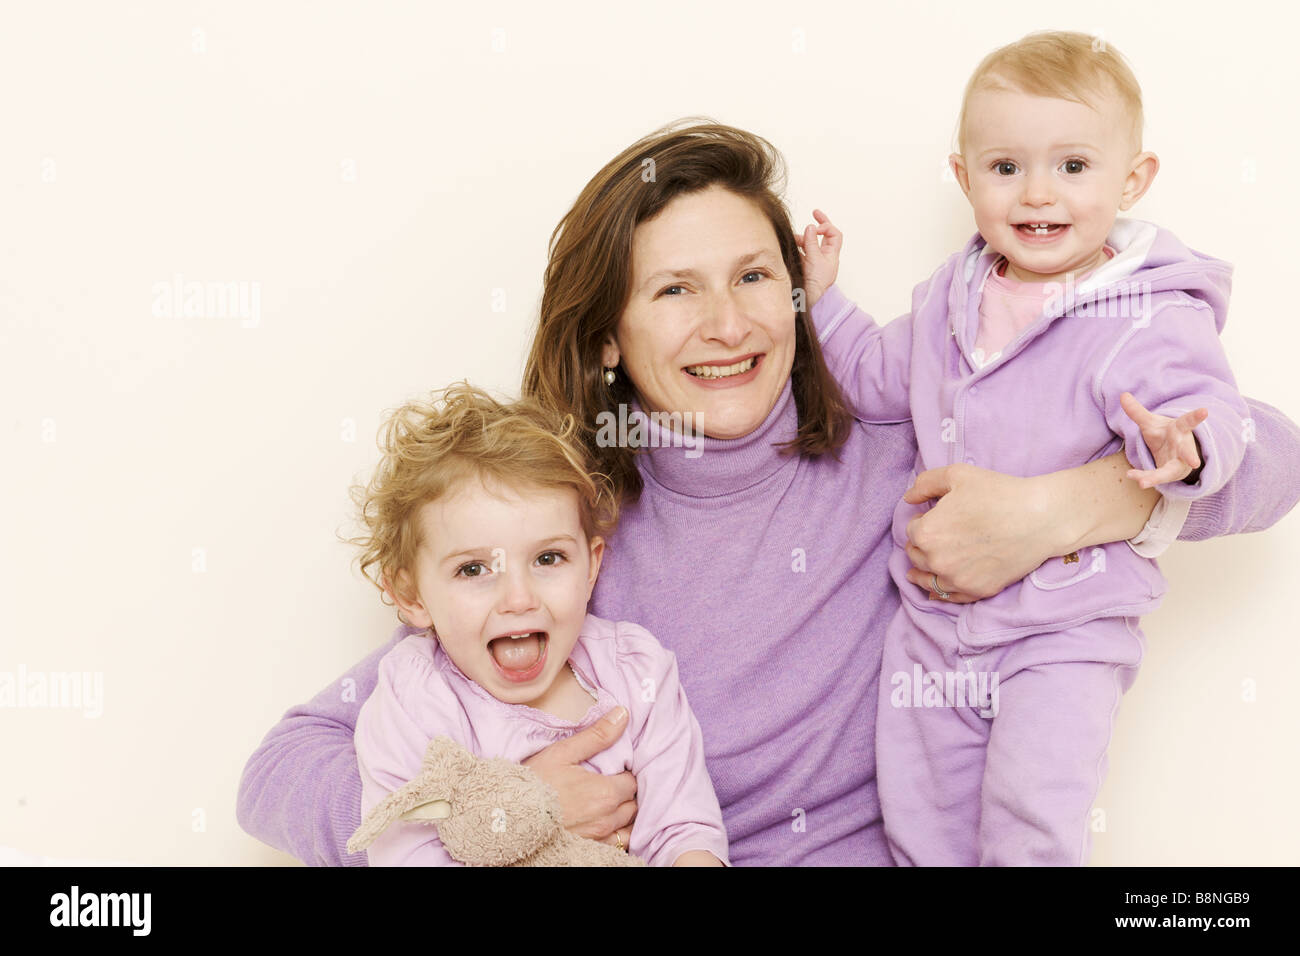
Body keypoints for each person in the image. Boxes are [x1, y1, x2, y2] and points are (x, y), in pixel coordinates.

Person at [236, 120, 1300, 866]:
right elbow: (281, 766)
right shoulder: (559, 536)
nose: (729, 324)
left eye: (752, 276)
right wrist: (489, 817)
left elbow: (1275, 456)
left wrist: (1063, 510)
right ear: (608, 336)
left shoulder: (910, 434)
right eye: (674, 290)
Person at [798, 31, 1251, 866]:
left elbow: (1216, 413)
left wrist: (1183, 445)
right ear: (965, 179)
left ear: (1133, 180)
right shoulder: (947, 305)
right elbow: (870, 377)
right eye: (1006, 169)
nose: (1038, 193)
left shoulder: (1150, 313)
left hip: (1064, 631)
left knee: (1030, 819)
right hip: (936, 626)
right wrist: (822, 303)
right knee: (922, 820)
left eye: (1074, 167)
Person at [348, 383, 726, 866]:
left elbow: (685, 830)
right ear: (409, 595)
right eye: (473, 569)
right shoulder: (416, 697)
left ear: (590, 567)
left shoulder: (637, 669)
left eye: (549, 558)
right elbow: (408, 851)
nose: (519, 599)